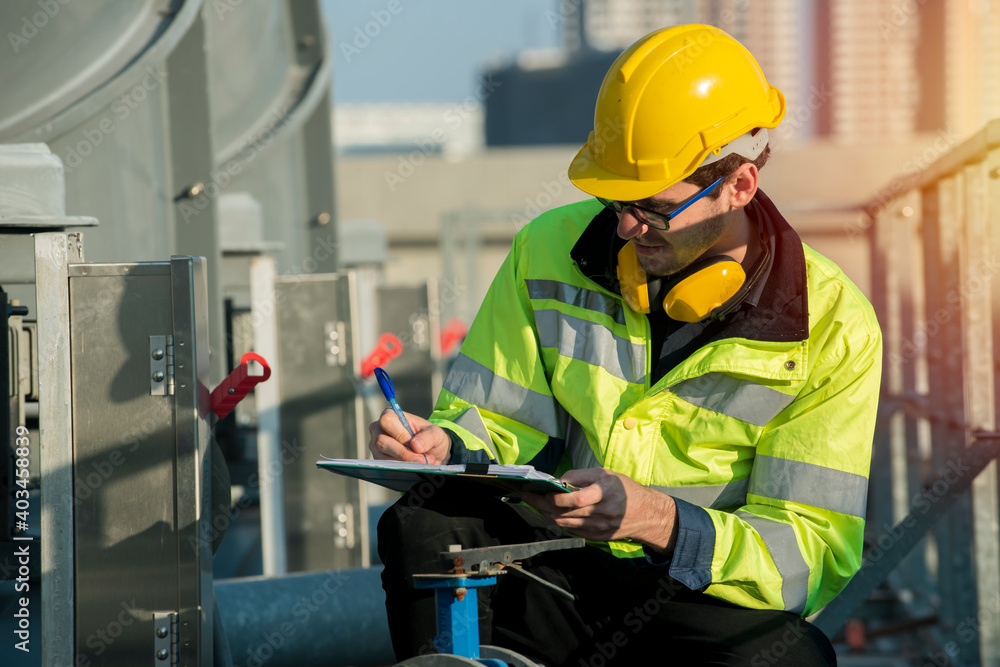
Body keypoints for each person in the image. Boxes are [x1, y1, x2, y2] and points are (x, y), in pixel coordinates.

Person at [370, 24, 881, 666]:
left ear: (740, 186)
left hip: (697, 595)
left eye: (653, 207)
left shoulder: (831, 326)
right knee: (424, 521)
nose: (627, 226)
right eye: (615, 200)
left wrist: (660, 521)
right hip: (558, 569)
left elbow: (810, 556)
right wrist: (445, 446)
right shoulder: (547, 251)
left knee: (788, 658)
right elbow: (492, 423)